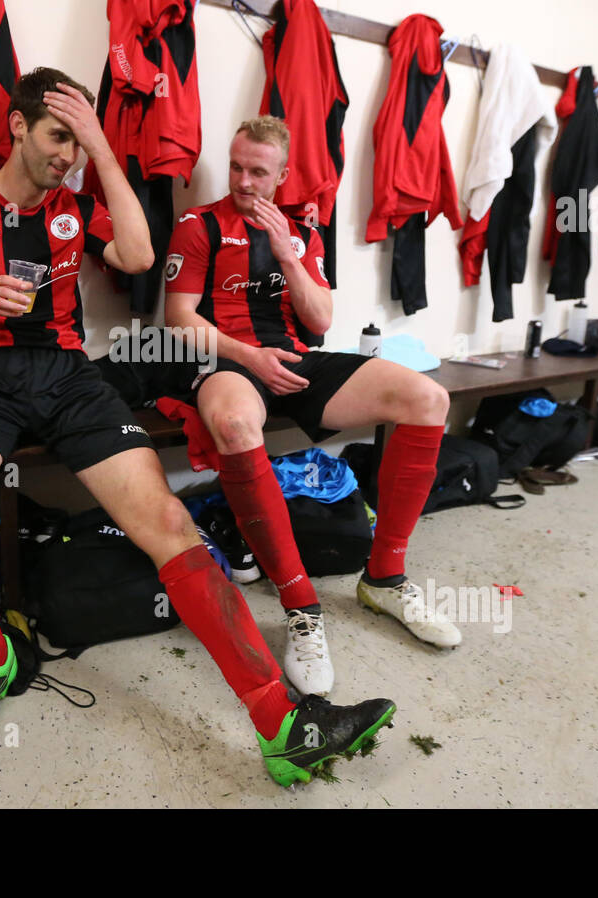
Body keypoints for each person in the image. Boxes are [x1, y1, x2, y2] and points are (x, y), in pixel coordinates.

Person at [0, 70, 396, 787]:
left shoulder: (76, 206)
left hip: (67, 375)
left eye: (78, 142)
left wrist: (99, 147)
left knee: (167, 520)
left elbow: (139, 256)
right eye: (59, 135)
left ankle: (284, 725)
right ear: (18, 126)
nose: (67, 155)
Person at [163, 116, 460, 696]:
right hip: (229, 360)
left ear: (282, 174)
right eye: (236, 167)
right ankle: (301, 605)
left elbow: (321, 321)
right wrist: (249, 357)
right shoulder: (198, 225)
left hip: (295, 359)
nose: (245, 182)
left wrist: (287, 254)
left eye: (257, 171)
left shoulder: (302, 230)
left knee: (428, 397)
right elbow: (177, 320)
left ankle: (386, 577)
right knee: (231, 421)